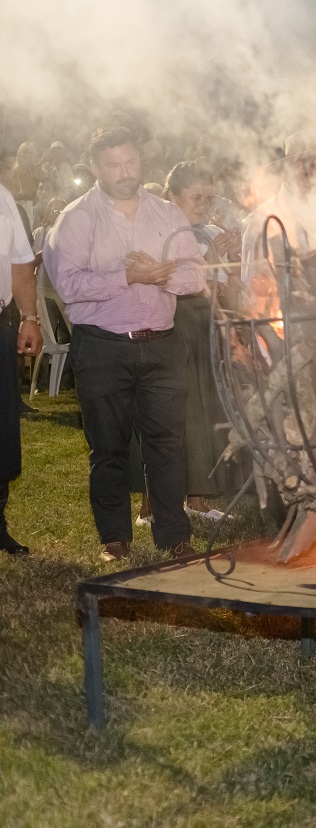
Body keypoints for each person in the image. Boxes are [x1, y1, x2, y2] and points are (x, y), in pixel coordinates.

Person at [44, 127, 205, 561]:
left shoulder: (168, 214)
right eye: (113, 164)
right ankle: (114, 539)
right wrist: (128, 276)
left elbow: (197, 274)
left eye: (130, 162)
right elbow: (68, 284)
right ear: (95, 167)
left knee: (168, 443)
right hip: (102, 347)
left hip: (162, 343)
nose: (124, 172)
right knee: (108, 446)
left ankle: (175, 537)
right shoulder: (77, 218)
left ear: (141, 161)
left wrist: (162, 274)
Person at [165, 161, 241, 520]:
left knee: (203, 410)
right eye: (196, 197)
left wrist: (223, 259)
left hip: (203, 323)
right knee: (176, 413)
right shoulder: (159, 230)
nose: (203, 205)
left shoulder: (208, 232)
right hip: (173, 322)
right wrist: (210, 260)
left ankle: (197, 498)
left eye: (209, 198)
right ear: (172, 196)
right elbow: (176, 279)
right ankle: (159, 501)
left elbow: (219, 289)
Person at [0, 182, 41, 556]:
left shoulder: (3, 197)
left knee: (1, 429)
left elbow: (19, 263)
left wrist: (30, 317)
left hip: (0, 321)